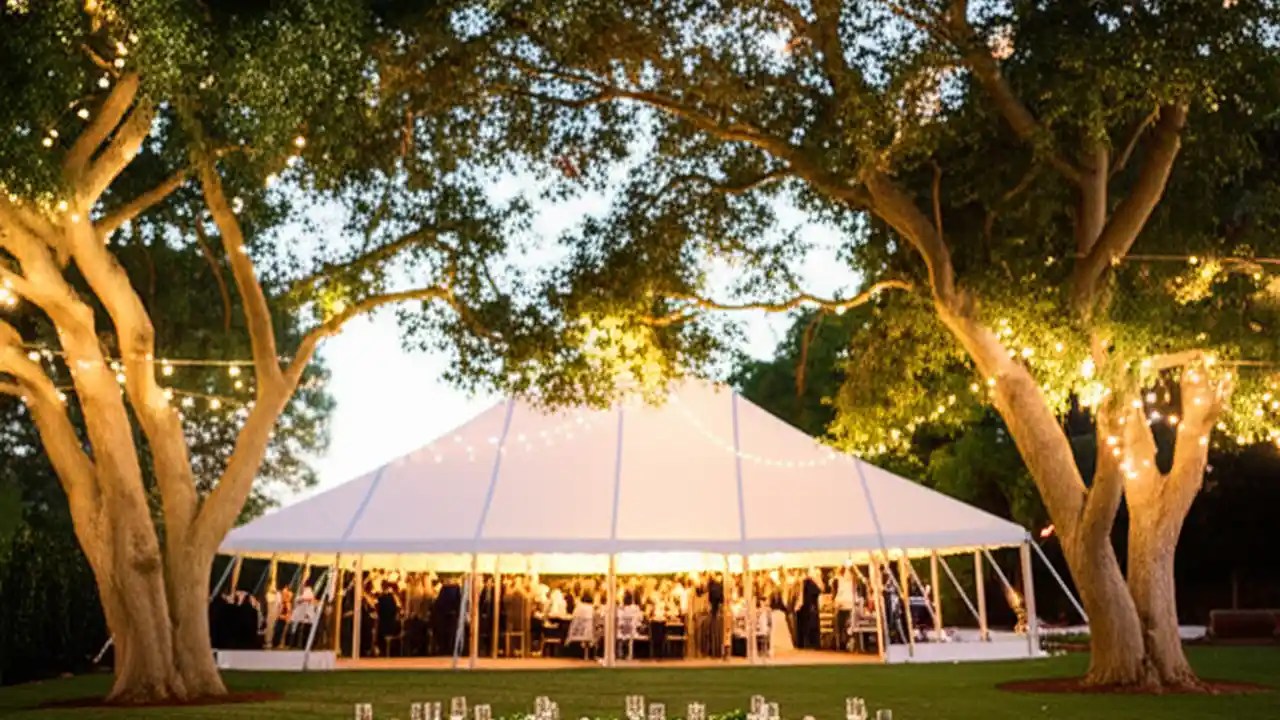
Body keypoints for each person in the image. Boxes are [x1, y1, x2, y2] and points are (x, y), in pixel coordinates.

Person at [377, 580, 403, 656]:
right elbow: (395, 610)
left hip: (383, 628)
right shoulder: (392, 598)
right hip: (392, 626)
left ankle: (382, 651)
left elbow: (379, 612)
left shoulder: (381, 598)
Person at [833, 566, 856, 651]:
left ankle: (844, 643)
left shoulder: (845, 581)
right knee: (844, 626)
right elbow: (840, 593)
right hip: (845, 606)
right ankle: (843, 643)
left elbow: (840, 593)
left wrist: (837, 602)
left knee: (844, 626)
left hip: (846, 606)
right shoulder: (843, 581)